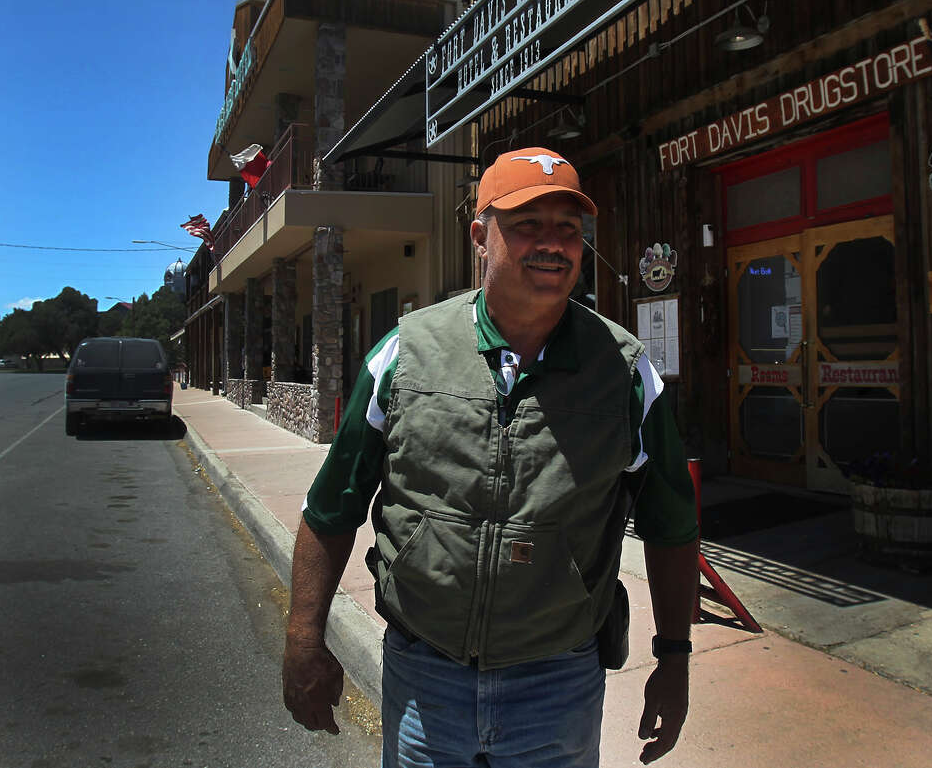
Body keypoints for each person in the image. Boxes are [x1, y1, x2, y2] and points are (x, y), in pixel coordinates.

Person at [282, 146, 700, 767]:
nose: (552, 243)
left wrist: (674, 658)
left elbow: (671, 526)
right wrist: (302, 636)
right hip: (425, 677)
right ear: (481, 236)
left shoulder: (625, 370)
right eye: (528, 224)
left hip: (556, 688)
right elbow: (331, 508)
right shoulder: (406, 354)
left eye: (568, 228)